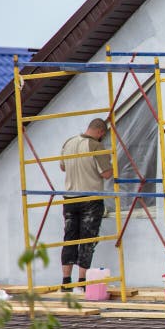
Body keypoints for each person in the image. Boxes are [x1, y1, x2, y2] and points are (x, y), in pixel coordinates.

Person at [58, 118, 113, 292]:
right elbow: (106, 174)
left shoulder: (69, 143)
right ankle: (82, 282)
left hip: (70, 198)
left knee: (70, 238)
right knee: (87, 240)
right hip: (90, 198)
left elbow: (62, 167)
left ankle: (66, 281)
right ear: (100, 132)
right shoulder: (96, 146)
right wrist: (113, 164)